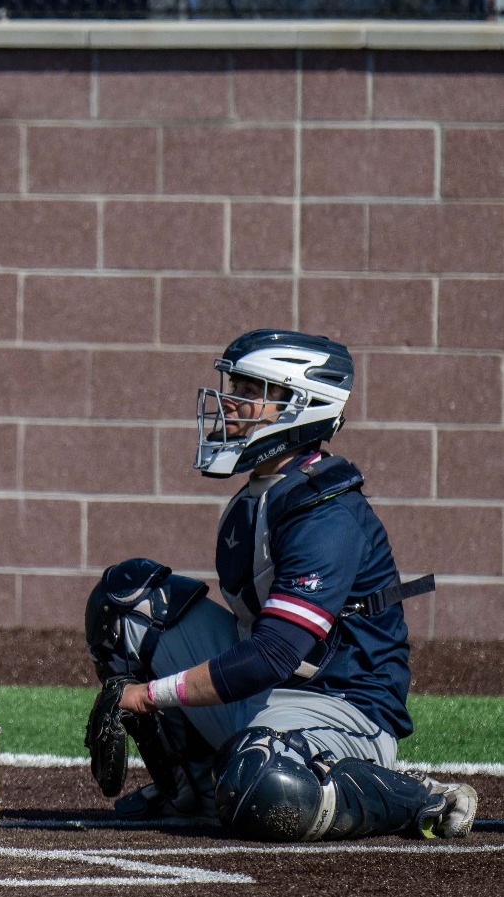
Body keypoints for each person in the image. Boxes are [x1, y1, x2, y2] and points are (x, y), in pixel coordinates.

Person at [84, 328, 478, 841]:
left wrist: (148, 696)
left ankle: (417, 798)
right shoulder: (268, 489)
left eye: (250, 393)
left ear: (303, 404)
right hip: (273, 688)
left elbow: (273, 654)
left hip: (343, 706)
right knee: (128, 602)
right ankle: (193, 790)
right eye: (235, 389)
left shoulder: (327, 515)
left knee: (263, 783)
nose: (230, 404)